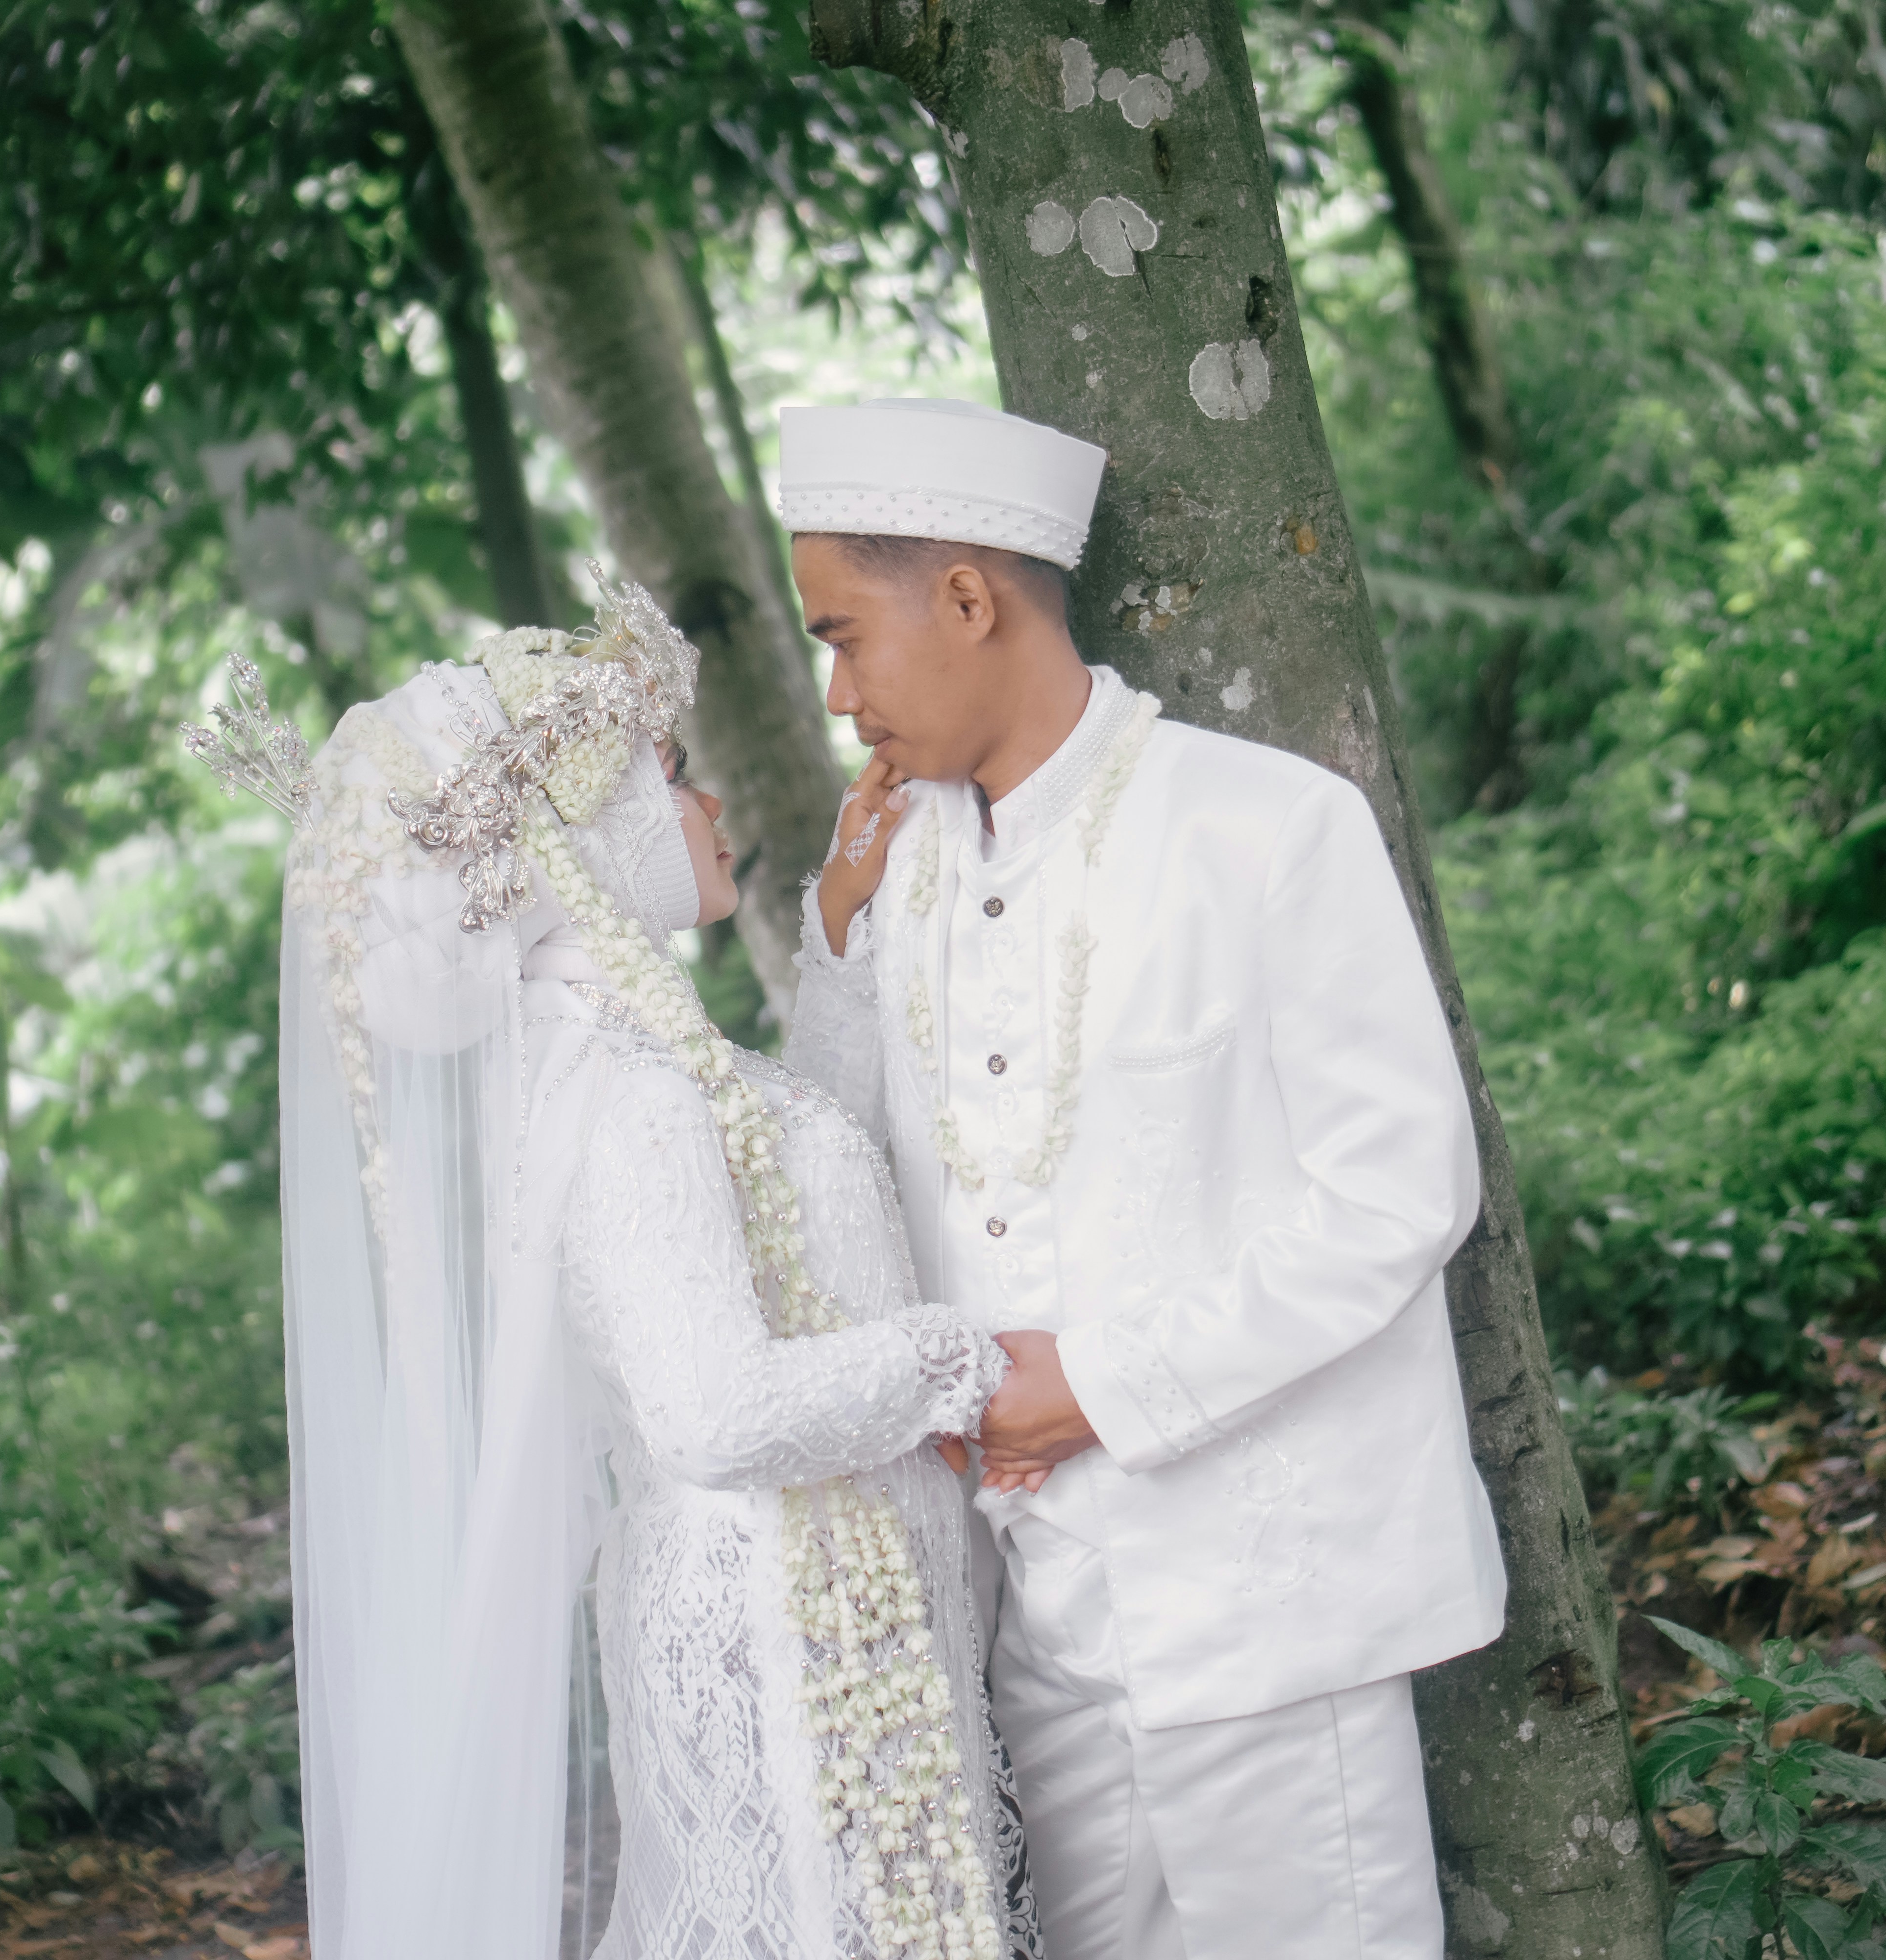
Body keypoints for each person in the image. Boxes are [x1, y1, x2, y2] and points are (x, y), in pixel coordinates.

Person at [189, 580, 1038, 1960]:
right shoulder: (621, 1095)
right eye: (676, 778)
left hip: (820, 1612)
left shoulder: (648, 1070)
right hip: (786, 1635)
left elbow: (796, 1238)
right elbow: (713, 1411)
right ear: (584, 837)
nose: (706, 809)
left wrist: (832, 945)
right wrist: (971, 1364)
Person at [776, 399, 1509, 1960]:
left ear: (968, 597)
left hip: (1266, 1597)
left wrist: (1102, 1385)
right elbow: (840, 1186)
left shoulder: (1268, 829)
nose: (838, 696)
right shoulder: (893, 878)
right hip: (1032, 1621)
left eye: (845, 635)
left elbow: (1399, 1191)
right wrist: (831, 955)